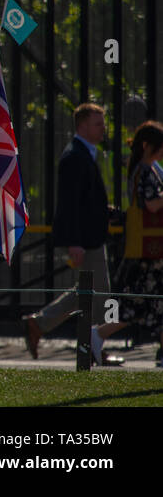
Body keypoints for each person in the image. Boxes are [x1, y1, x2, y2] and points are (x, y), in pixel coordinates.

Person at [22, 103, 119, 362]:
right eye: (98, 124)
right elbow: (69, 203)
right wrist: (74, 242)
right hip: (85, 240)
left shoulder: (85, 153)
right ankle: (90, 345)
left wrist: (103, 210)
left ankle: (42, 324)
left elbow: (83, 199)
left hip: (91, 237)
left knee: (89, 291)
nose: (103, 129)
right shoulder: (75, 156)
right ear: (83, 125)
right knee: (97, 293)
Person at [72, 120, 163, 365]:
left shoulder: (145, 170)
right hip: (149, 250)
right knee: (143, 302)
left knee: (145, 303)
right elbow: (152, 204)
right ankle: (97, 334)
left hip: (150, 247)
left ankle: (97, 334)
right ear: (147, 146)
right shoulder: (144, 171)